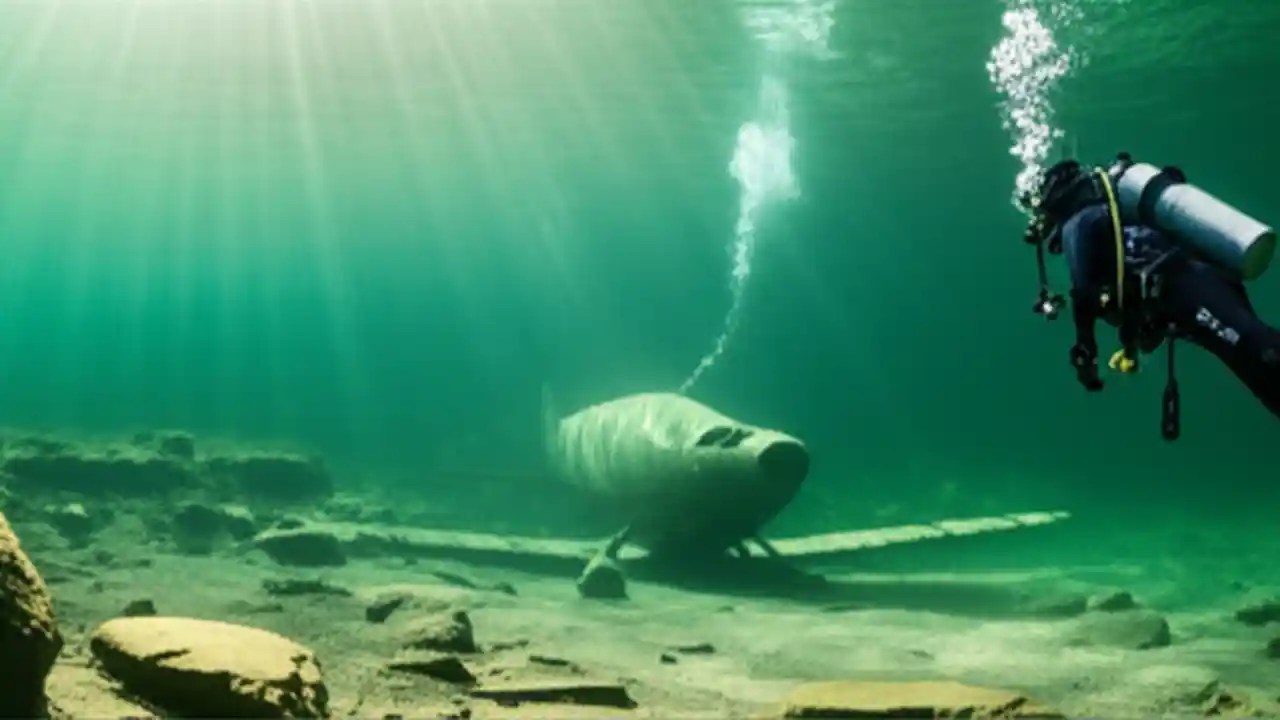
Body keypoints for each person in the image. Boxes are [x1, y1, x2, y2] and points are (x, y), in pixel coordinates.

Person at [1020, 153, 1280, 440]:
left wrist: (1086, 352)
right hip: (1194, 289)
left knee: (1261, 352)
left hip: (1187, 287)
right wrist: (1131, 344)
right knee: (1257, 370)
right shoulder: (1104, 218)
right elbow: (1128, 288)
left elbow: (1084, 294)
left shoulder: (1079, 222)